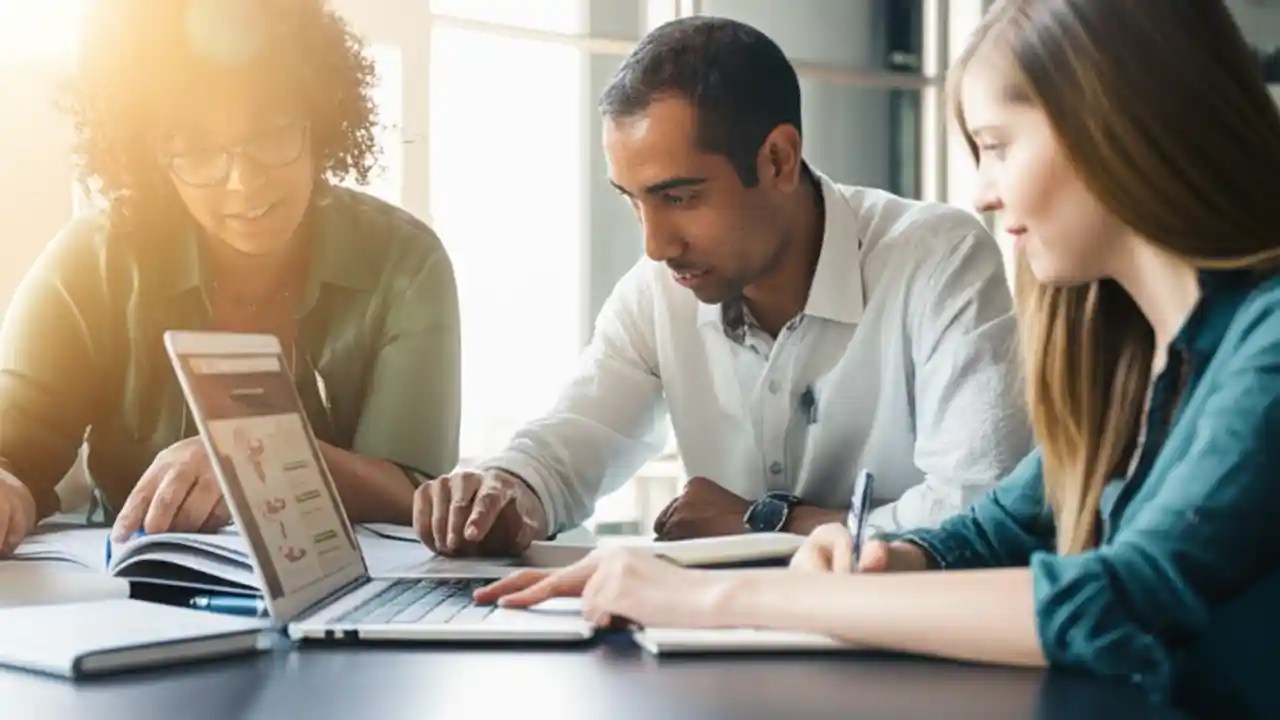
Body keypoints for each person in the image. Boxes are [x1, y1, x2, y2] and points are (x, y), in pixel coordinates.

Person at [475, 0, 1280, 704]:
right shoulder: (1129, 356)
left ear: (1117, 127)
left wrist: (719, 599)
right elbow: (993, 530)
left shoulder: (1267, 340)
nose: (984, 191)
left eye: (997, 145)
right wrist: (883, 557)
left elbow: (1123, 601)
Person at [413, 16, 1031, 556]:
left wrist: (763, 523)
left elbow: (979, 512)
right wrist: (503, 492)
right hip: (718, 649)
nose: (656, 245)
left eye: (679, 197)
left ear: (778, 160)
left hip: (909, 658)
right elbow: (568, 449)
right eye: (633, 202)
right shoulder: (658, 291)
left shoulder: (937, 259)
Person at [0, 0, 461, 556]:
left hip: (341, 610)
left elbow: (414, 492)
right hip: (131, 598)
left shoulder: (405, 264)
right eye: (196, 151)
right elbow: (11, 457)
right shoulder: (93, 261)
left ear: (320, 119)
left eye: (270, 135)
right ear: (149, 155)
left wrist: (259, 459)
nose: (243, 183)